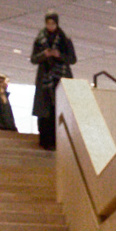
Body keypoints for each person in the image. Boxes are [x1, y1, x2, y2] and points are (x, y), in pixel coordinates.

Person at [30, 12, 76, 150]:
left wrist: (59, 55)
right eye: (48, 23)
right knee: (46, 110)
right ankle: (45, 140)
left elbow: (72, 59)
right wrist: (44, 54)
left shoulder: (64, 39)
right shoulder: (39, 40)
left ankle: (58, 141)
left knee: (58, 108)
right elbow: (33, 59)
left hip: (59, 78)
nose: (50, 26)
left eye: (52, 23)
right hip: (45, 79)